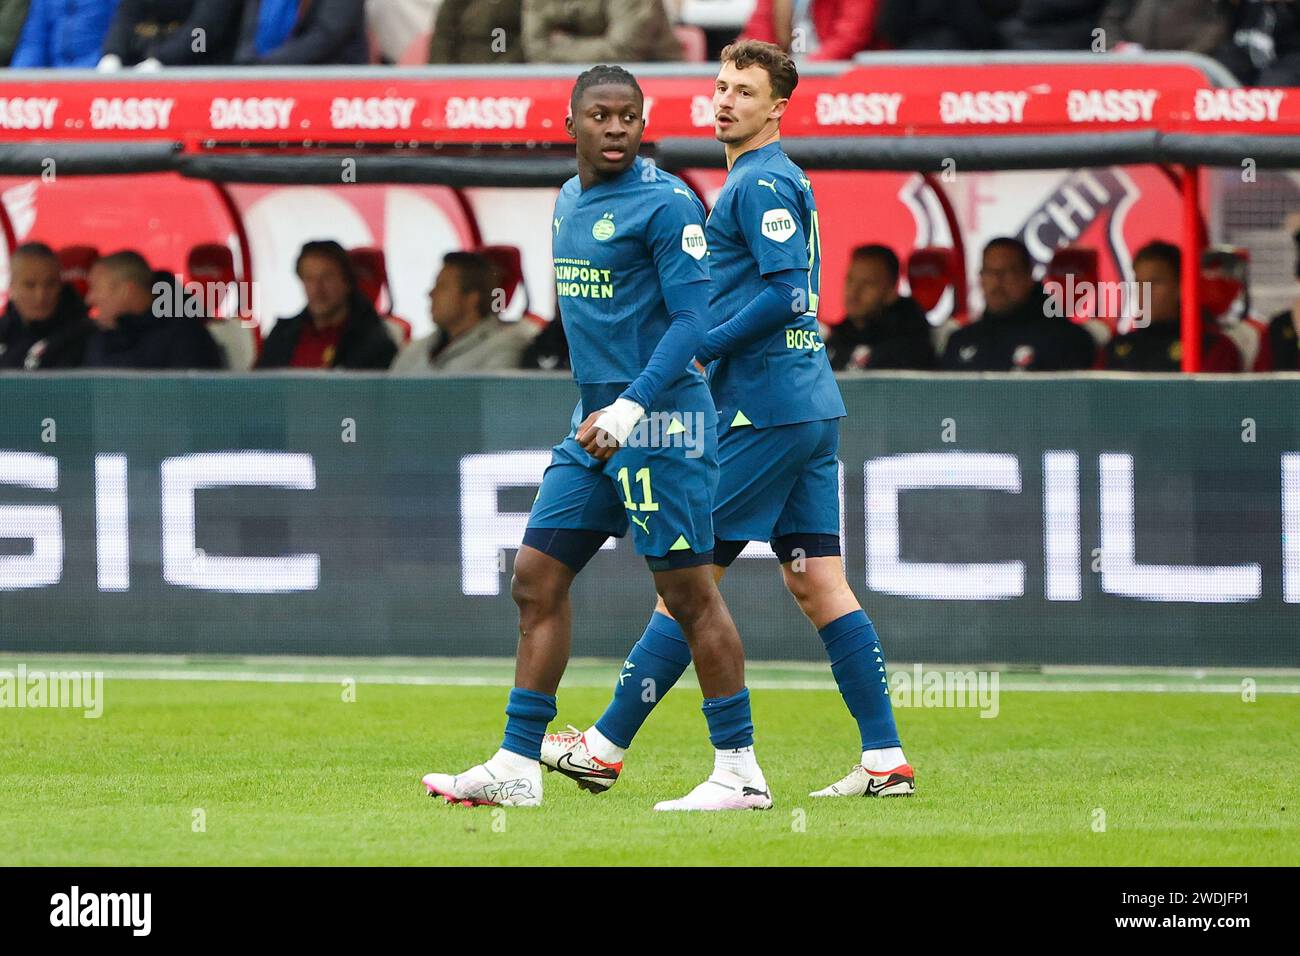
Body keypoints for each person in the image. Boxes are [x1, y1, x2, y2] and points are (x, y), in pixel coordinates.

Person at [541, 41, 915, 801]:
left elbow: (784, 293)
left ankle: (609, 746)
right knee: (820, 586)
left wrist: (699, 349)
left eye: (744, 91)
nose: (724, 101)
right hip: (808, 405)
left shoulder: (758, 183)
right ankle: (886, 761)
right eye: (719, 87)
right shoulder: (769, 178)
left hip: (763, 408)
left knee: (685, 581)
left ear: (778, 107)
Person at [422, 65, 769, 811]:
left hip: (664, 424)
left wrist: (632, 407)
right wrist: (604, 411)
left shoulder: (668, 202)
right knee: (535, 578)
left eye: (629, 117)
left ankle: (739, 771)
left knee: (688, 595)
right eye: (601, 116)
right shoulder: (569, 199)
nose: (616, 129)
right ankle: (518, 763)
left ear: (644, 125)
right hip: (593, 429)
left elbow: (693, 324)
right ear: (570, 122)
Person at [942, 238, 1098, 371]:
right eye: (990, 272)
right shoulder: (960, 341)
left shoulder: (1066, 340)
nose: (997, 281)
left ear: (1027, 277)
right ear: (980, 278)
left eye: (1007, 272)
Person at [1102, 241, 1242, 372]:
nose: (1145, 291)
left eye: (1155, 282)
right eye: (1139, 282)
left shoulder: (1211, 348)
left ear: (1180, 287)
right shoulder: (1116, 348)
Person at [257, 241, 397, 370]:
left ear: (347, 281)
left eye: (327, 278)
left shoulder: (375, 342)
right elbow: (256, 389)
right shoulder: (281, 336)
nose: (317, 289)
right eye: (309, 278)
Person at [391, 251, 528, 373]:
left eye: (442, 287)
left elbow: (493, 400)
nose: (431, 293)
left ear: (472, 299)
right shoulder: (414, 350)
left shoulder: (504, 347)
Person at [82, 252, 222, 369]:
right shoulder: (99, 338)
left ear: (126, 291)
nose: (89, 299)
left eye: (95, 288)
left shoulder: (186, 336)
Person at [825, 244, 935, 370]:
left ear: (891, 292)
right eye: (850, 280)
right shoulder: (835, 339)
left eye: (868, 283)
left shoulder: (911, 345)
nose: (854, 292)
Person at [0, 242, 94, 369]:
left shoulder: (87, 339)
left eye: (50, 284)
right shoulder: (5, 330)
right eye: (30, 285)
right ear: (12, 286)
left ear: (61, 285)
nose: (41, 296)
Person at [521, 0, 681, 63]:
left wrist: (562, 44)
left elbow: (624, 51)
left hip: (649, 83)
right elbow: (536, 51)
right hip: (567, 84)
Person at [98, 0, 242, 68]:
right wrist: (112, 53)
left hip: (203, 71)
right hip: (145, 66)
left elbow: (203, 33)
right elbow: (126, 19)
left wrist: (161, 59)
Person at [234, 0, 367, 66]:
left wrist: (265, 65)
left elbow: (326, 35)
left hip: (326, 81)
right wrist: (246, 63)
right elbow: (249, 30)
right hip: (260, 77)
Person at [10, 0, 119, 68]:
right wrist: (16, 83)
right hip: (54, 76)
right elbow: (33, 43)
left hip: (97, 73)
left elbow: (118, 33)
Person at [428, 0, 524, 63]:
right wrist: (443, 74)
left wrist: (504, 67)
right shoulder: (456, 4)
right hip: (462, 71)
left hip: (511, 73)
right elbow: (443, 36)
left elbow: (528, 37)